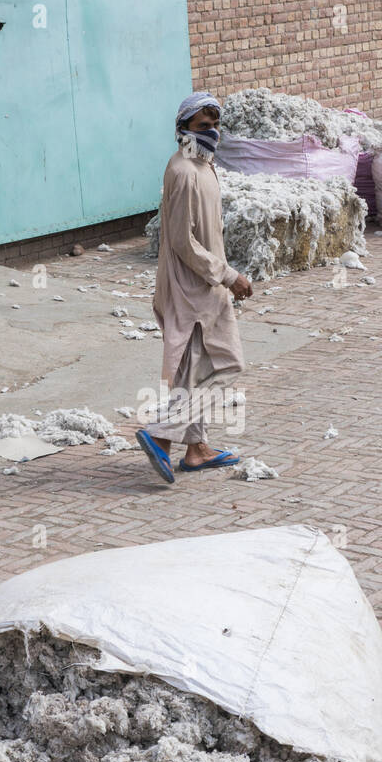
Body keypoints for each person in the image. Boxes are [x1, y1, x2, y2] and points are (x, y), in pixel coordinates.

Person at [136, 92, 253, 485]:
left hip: (204, 286)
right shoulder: (185, 171)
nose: (212, 133)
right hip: (195, 288)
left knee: (194, 371)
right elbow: (184, 243)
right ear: (183, 130)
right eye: (203, 127)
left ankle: (197, 450)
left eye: (215, 126)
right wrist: (228, 275)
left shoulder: (203, 166)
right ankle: (163, 433)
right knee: (227, 363)